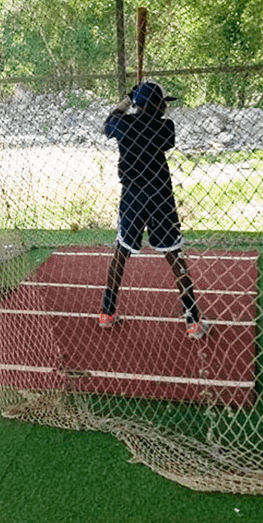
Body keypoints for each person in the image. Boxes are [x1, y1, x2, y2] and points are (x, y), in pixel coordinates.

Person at [99, 81, 208, 339]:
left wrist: (128, 101)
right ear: (153, 105)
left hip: (133, 197)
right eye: (161, 103)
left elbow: (108, 124)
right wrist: (137, 103)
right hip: (160, 196)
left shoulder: (123, 125)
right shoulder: (164, 127)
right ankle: (192, 319)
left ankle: (107, 311)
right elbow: (157, 134)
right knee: (173, 253)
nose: (165, 107)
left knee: (121, 252)